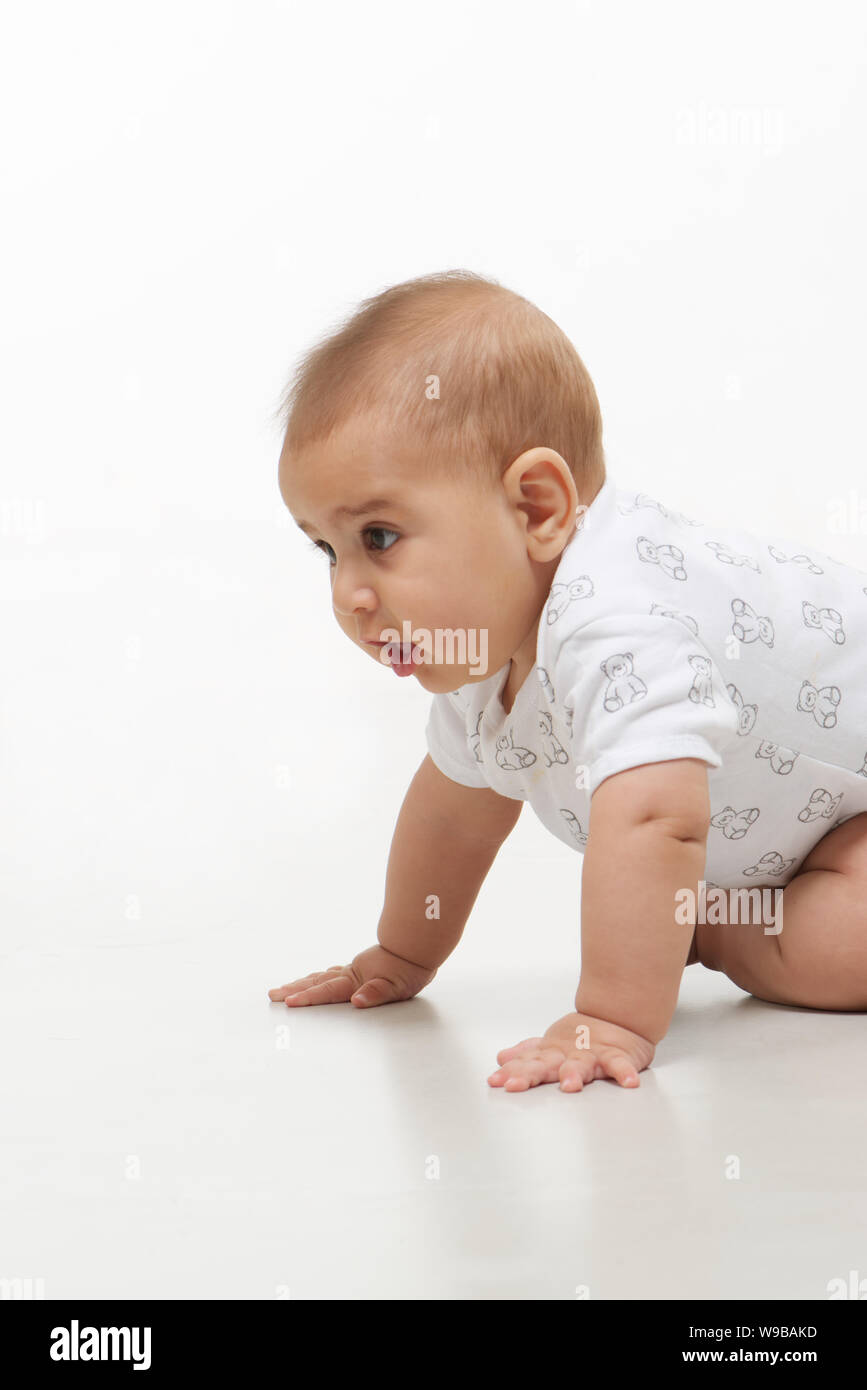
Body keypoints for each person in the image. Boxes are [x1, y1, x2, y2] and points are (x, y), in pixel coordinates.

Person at [268, 269, 867, 1094]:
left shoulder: (619, 620)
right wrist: (402, 954)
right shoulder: (484, 657)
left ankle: (713, 929)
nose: (349, 594)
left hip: (852, 823)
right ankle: (703, 918)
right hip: (809, 844)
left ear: (537, 508)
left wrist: (612, 1013)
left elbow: (658, 819)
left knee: (843, 941)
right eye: (326, 551)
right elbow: (452, 816)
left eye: (379, 536)